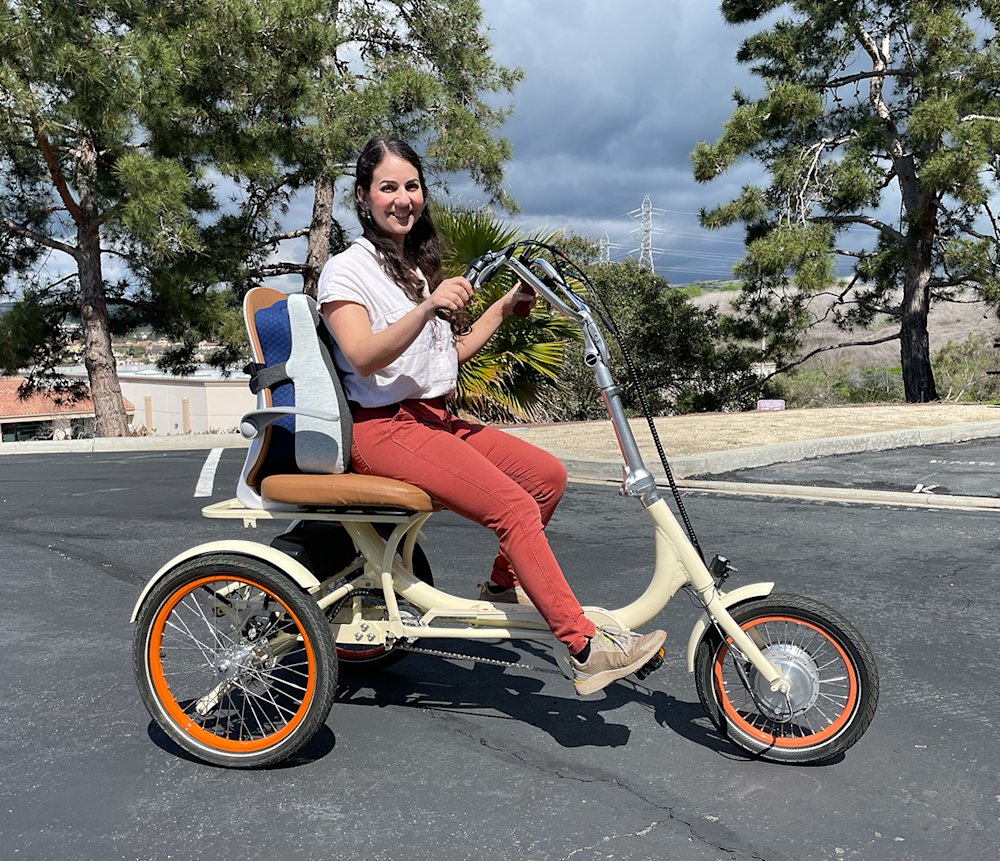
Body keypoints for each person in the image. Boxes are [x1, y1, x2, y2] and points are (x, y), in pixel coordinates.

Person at [317, 136, 666, 696]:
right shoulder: (346, 271)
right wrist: (428, 306)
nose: (403, 199)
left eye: (412, 186)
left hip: (433, 419)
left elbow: (444, 357)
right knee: (513, 507)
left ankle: (502, 587)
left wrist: (503, 308)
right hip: (383, 427)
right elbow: (361, 355)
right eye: (388, 187)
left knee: (546, 478)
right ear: (363, 197)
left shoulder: (409, 269)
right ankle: (585, 648)